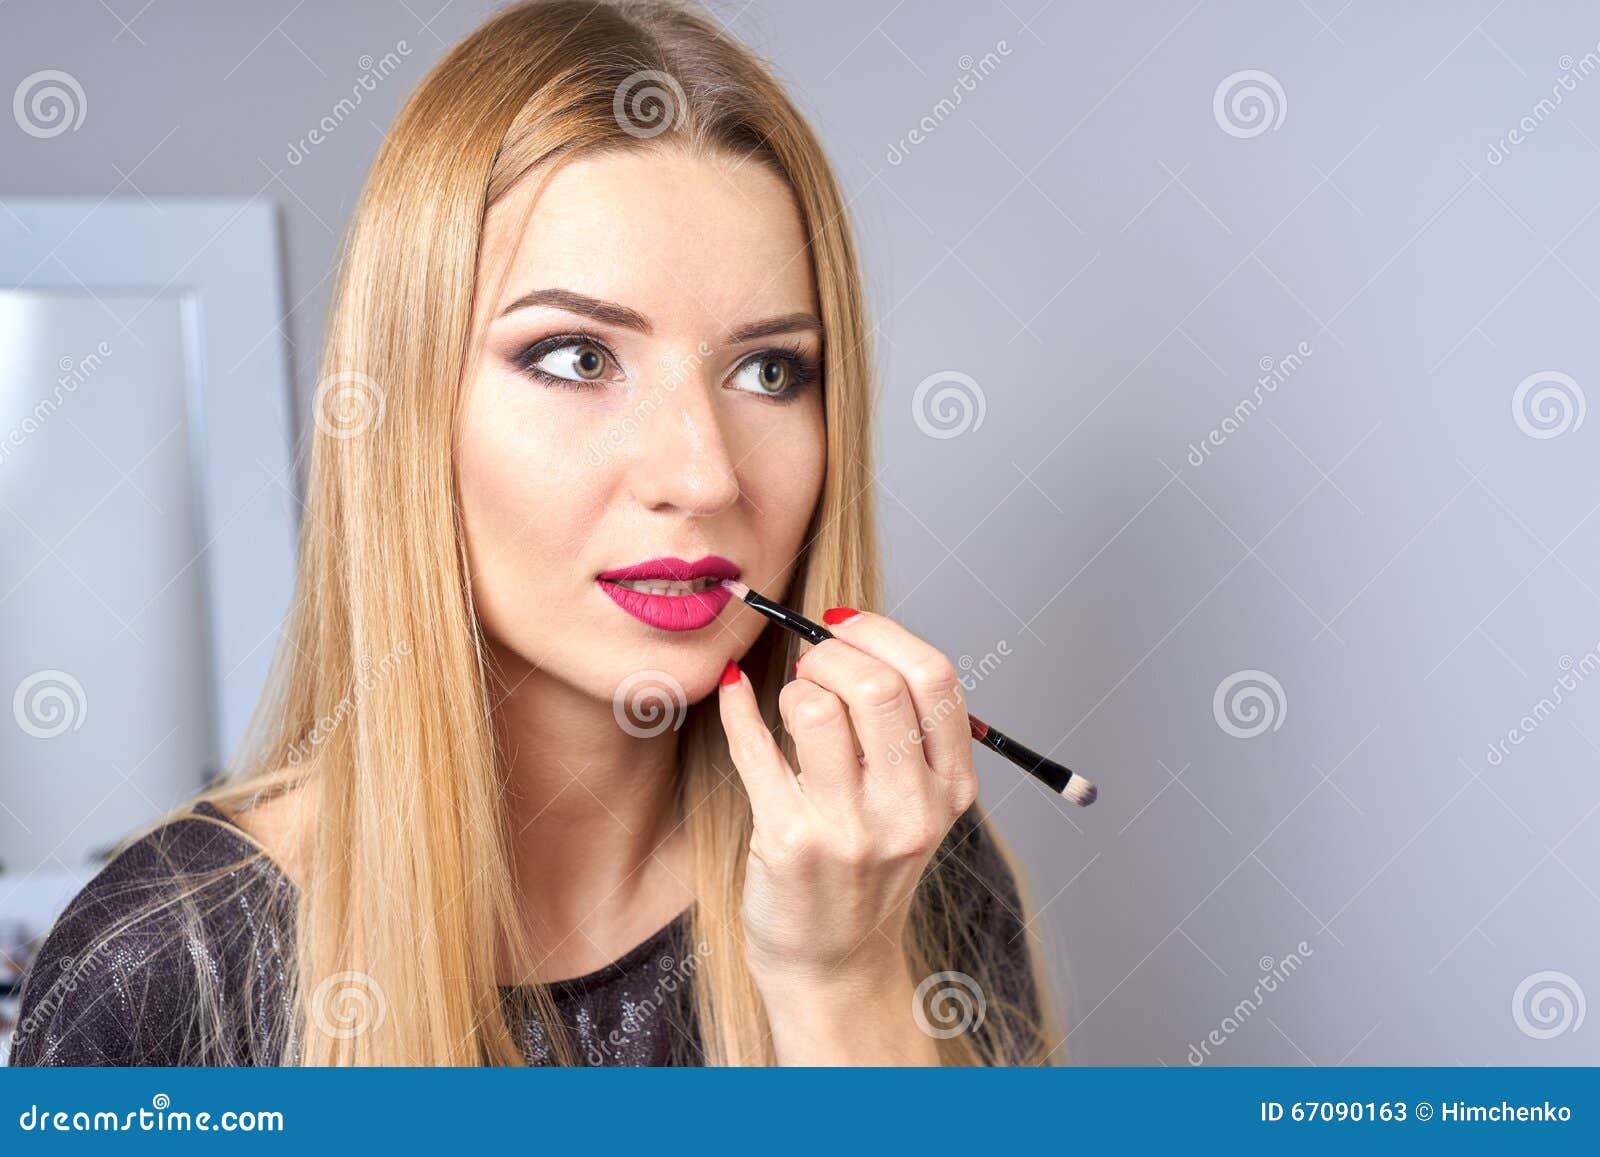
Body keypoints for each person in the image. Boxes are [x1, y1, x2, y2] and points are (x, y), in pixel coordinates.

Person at [11, 0, 1060, 1067]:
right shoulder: (163, 969)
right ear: (403, 407)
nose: (702, 474)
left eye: (768, 370)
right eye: (577, 357)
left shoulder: (889, 866)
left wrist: (842, 983)